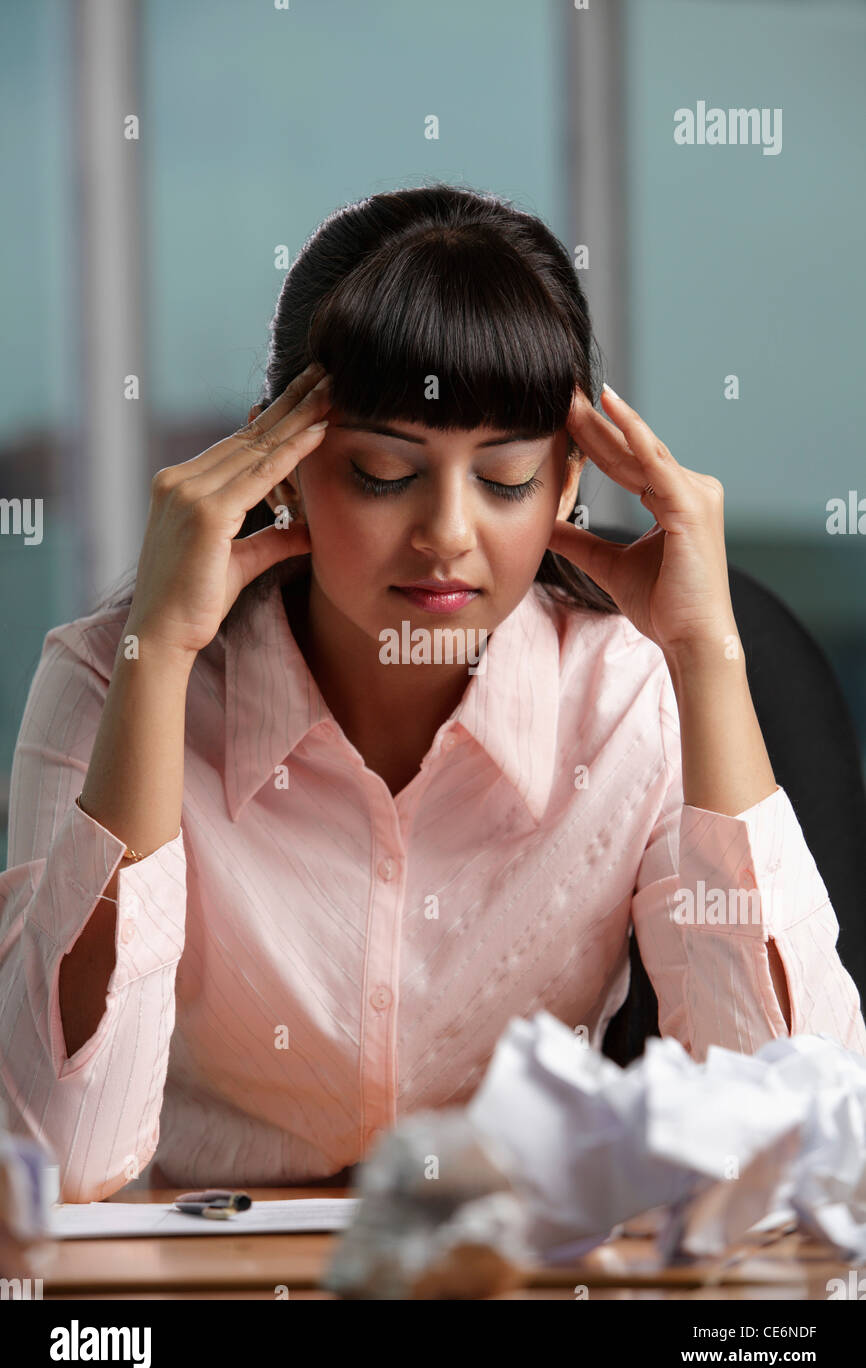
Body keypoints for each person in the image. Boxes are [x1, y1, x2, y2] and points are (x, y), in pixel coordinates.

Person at [1, 184, 864, 1205]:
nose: (447, 532)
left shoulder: (629, 688)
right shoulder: (114, 675)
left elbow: (800, 1142)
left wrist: (708, 652)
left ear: (566, 485)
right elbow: (54, 1161)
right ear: (279, 468)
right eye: (379, 471)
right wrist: (158, 652)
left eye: (503, 479)